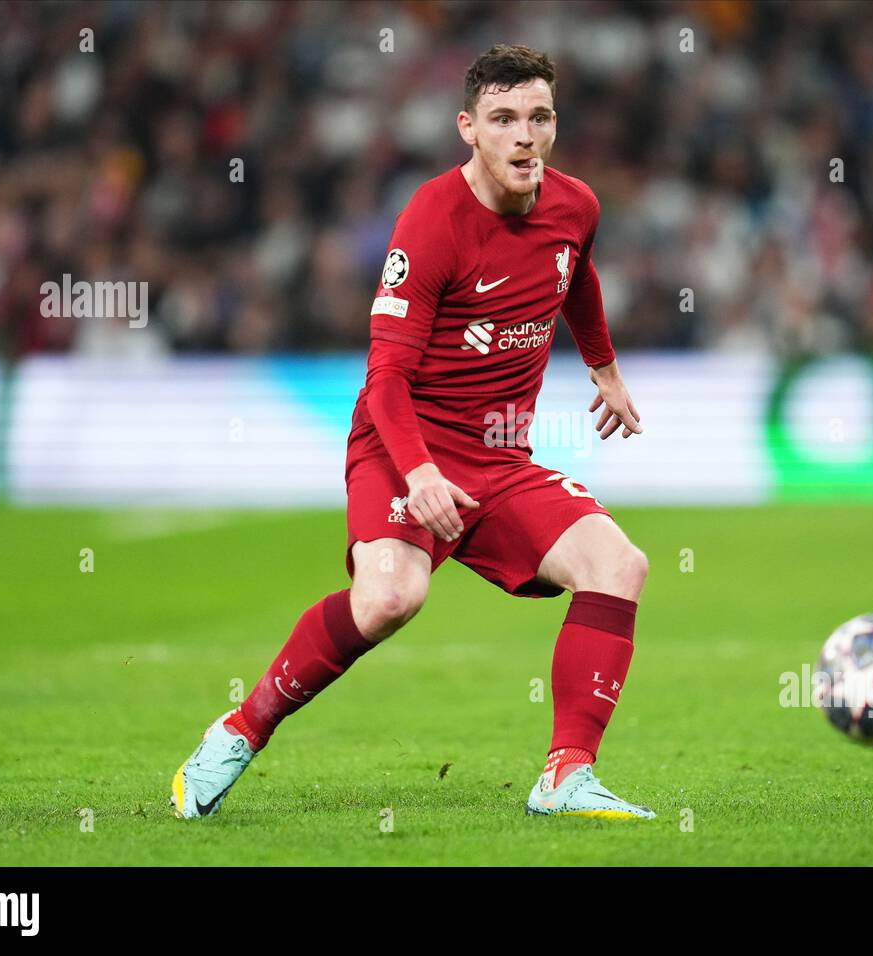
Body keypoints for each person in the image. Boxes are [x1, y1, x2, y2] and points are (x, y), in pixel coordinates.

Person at [172, 43, 653, 820]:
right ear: (469, 128)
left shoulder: (577, 207)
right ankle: (240, 728)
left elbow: (576, 275)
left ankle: (565, 775)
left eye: (538, 117)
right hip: (405, 449)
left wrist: (603, 367)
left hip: (500, 458)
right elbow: (385, 378)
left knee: (619, 565)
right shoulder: (431, 221)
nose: (524, 136)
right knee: (392, 598)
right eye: (504, 120)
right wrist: (421, 473)